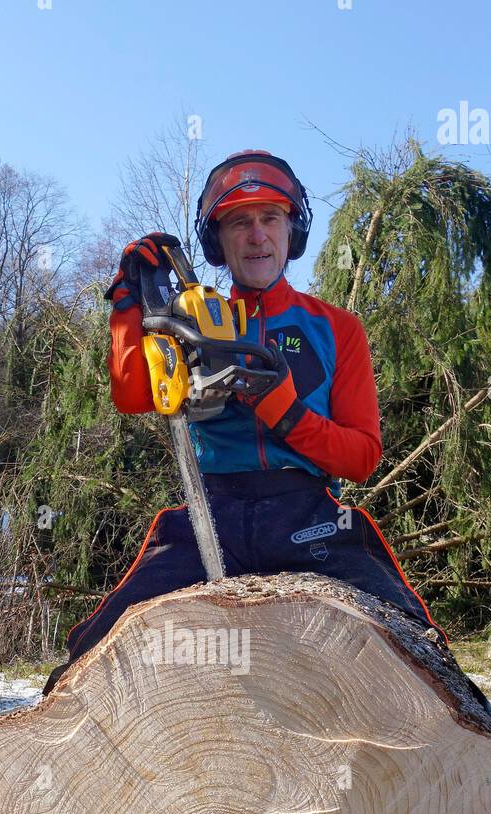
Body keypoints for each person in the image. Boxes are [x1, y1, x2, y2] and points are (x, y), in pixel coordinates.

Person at [43, 150, 445, 695]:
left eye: (270, 218)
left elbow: (362, 456)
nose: (257, 236)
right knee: (95, 650)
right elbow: (135, 394)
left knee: (415, 648)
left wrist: (284, 413)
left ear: (291, 231)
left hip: (308, 513)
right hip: (213, 513)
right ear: (219, 241)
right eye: (240, 222)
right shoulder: (191, 320)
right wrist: (127, 305)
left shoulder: (337, 329)